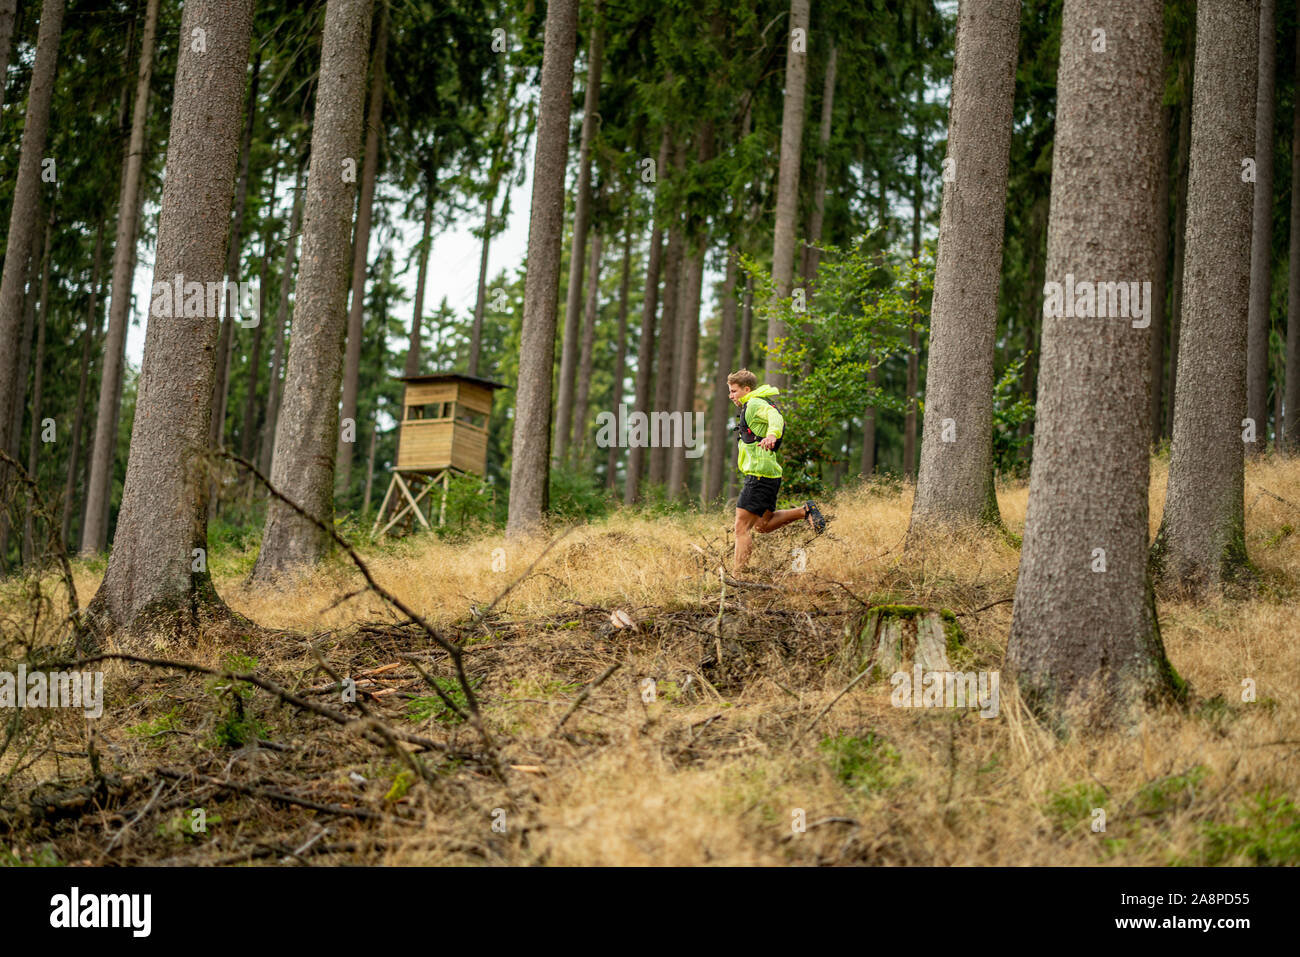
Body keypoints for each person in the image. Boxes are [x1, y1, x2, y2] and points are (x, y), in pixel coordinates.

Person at [727, 369, 826, 573]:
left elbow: (775, 417)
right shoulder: (753, 403)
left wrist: (772, 434)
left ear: (746, 389)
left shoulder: (754, 403)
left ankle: (738, 577)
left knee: (740, 528)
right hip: (768, 475)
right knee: (763, 525)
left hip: (759, 475)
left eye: (734, 391)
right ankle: (804, 511)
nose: (731, 396)